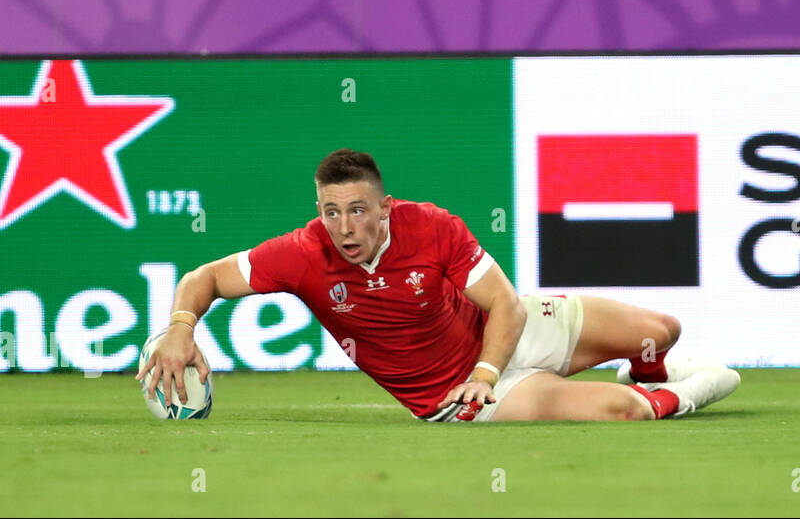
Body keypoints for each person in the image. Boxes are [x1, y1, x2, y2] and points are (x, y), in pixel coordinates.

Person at [137, 148, 740, 423]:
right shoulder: (302, 254)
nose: (345, 228)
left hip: (502, 339)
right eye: (330, 211)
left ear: (386, 208)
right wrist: (179, 329)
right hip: (453, 396)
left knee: (661, 332)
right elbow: (206, 278)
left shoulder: (432, 226)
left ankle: (645, 371)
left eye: (357, 211)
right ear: (317, 209)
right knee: (624, 414)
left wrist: (486, 367)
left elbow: (503, 303)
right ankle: (685, 397)